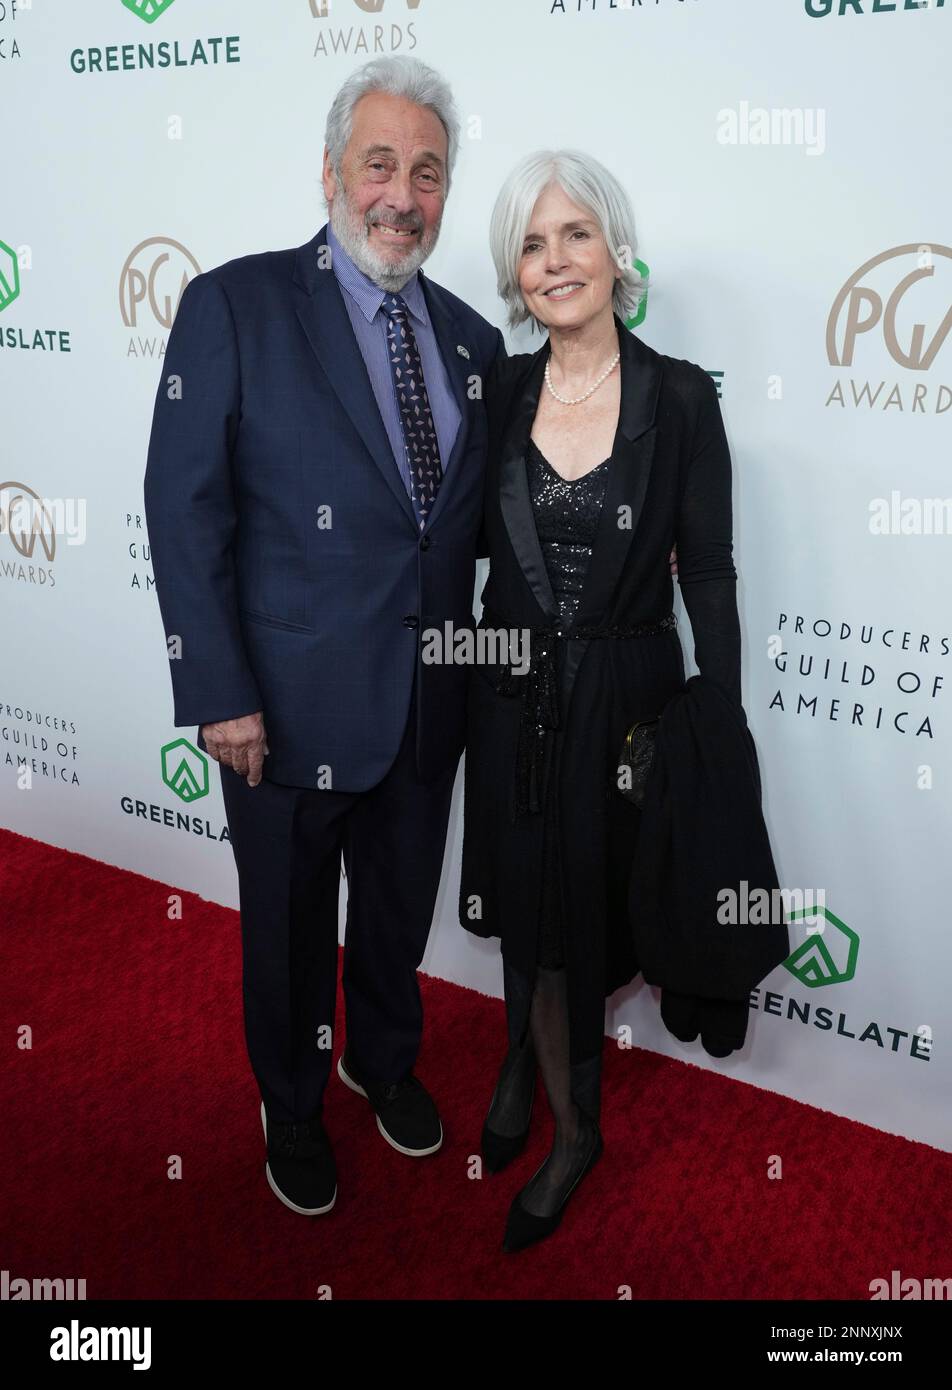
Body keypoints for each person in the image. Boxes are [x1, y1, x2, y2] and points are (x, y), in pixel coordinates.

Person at [144, 55, 505, 1217]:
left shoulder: (470, 343)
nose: (403, 195)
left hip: (425, 699)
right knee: (292, 924)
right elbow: (182, 503)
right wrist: (219, 689)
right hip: (283, 704)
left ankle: (380, 1060)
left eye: (429, 173)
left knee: (396, 909)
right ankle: (291, 1100)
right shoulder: (236, 304)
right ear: (332, 172)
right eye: (381, 163)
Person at [459, 149, 743, 1252]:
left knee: (587, 907)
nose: (553, 259)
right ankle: (518, 1057)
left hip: (625, 695)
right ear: (513, 274)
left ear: (616, 251)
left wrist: (717, 717)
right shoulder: (499, 391)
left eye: (574, 233)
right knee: (518, 891)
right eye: (531, 243)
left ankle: (578, 1126)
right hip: (510, 686)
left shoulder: (678, 396)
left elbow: (707, 570)